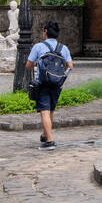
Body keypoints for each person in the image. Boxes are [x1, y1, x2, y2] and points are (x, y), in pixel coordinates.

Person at [26, 20, 72, 149]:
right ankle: (45, 134)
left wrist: (38, 64)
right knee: (50, 111)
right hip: (57, 84)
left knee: (44, 111)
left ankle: (50, 141)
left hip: (43, 83)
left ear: (45, 31)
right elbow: (70, 66)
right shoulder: (64, 48)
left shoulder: (38, 47)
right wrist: (61, 76)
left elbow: (28, 65)